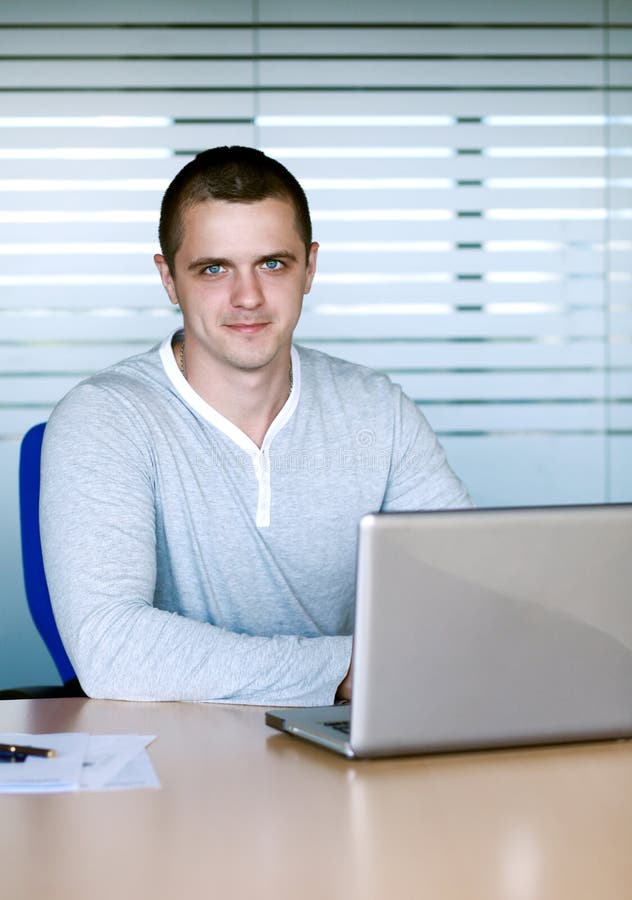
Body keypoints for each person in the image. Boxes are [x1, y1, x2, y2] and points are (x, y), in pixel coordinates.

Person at [40, 146, 471, 706]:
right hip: (170, 745)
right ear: (168, 278)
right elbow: (110, 649)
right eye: (213, 269)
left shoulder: (379, 411)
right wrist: (345, 671)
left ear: (309, 268)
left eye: (272, 264)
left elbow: (469, 596)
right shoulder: (106, 417)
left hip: (342, 736)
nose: (248, 297)